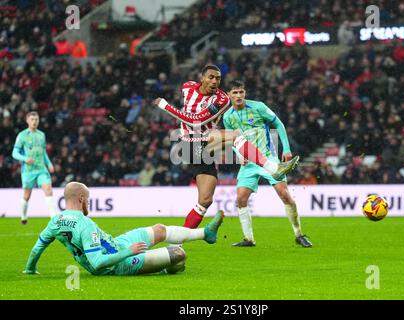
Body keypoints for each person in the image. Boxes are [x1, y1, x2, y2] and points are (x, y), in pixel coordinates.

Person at [153, 64, 300, 229]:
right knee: (236, 134)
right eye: (211, 77)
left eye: (218, 78)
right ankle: (273, 168)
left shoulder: (221, 99)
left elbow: (197, 121)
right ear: (202, 78)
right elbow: (189, 117)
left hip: (205, 143)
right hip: (190, 145)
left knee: (205, 201)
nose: (214, 81)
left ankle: (179, 239)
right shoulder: (187, 87)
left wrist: (165, 105)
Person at [23, 182, 225, 276]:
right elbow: (97, 263)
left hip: (116, 244)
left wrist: (30, 268)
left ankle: (205, 234)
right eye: (89, 200)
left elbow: (37, 248)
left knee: (160, 229)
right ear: (82, 199)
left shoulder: (55, 221)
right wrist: (129, 252)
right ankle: (162, 270)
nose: (89, 204)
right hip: (119, 263)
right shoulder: (85, 225)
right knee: (178, 254)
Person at [223, 80, 312, 247]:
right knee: (241, 198)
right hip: (248, 163)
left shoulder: (258, 107)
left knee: (284, 195)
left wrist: (286, 148)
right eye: (235, 92)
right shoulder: (227, 117)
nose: (239, 96)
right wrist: (237, 154)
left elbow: (278, 123)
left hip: (268, 158)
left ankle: (299, 234)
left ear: (245, 93)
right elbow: (231, 140)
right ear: (229, 95)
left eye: (241, 92)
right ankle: (249, 239)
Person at [12, 112, 57, 224]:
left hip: (41, 169)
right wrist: (25, 158)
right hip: (28, 170)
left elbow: (43, 152)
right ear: (27, 120)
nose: (34, 121)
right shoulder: (22, 135)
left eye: (36, 119)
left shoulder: (41, 135)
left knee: (48, 190)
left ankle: (54, 219)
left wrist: (49, 164)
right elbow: (14, 153)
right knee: (27, 195)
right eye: (32, 119)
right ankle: (23, 216)